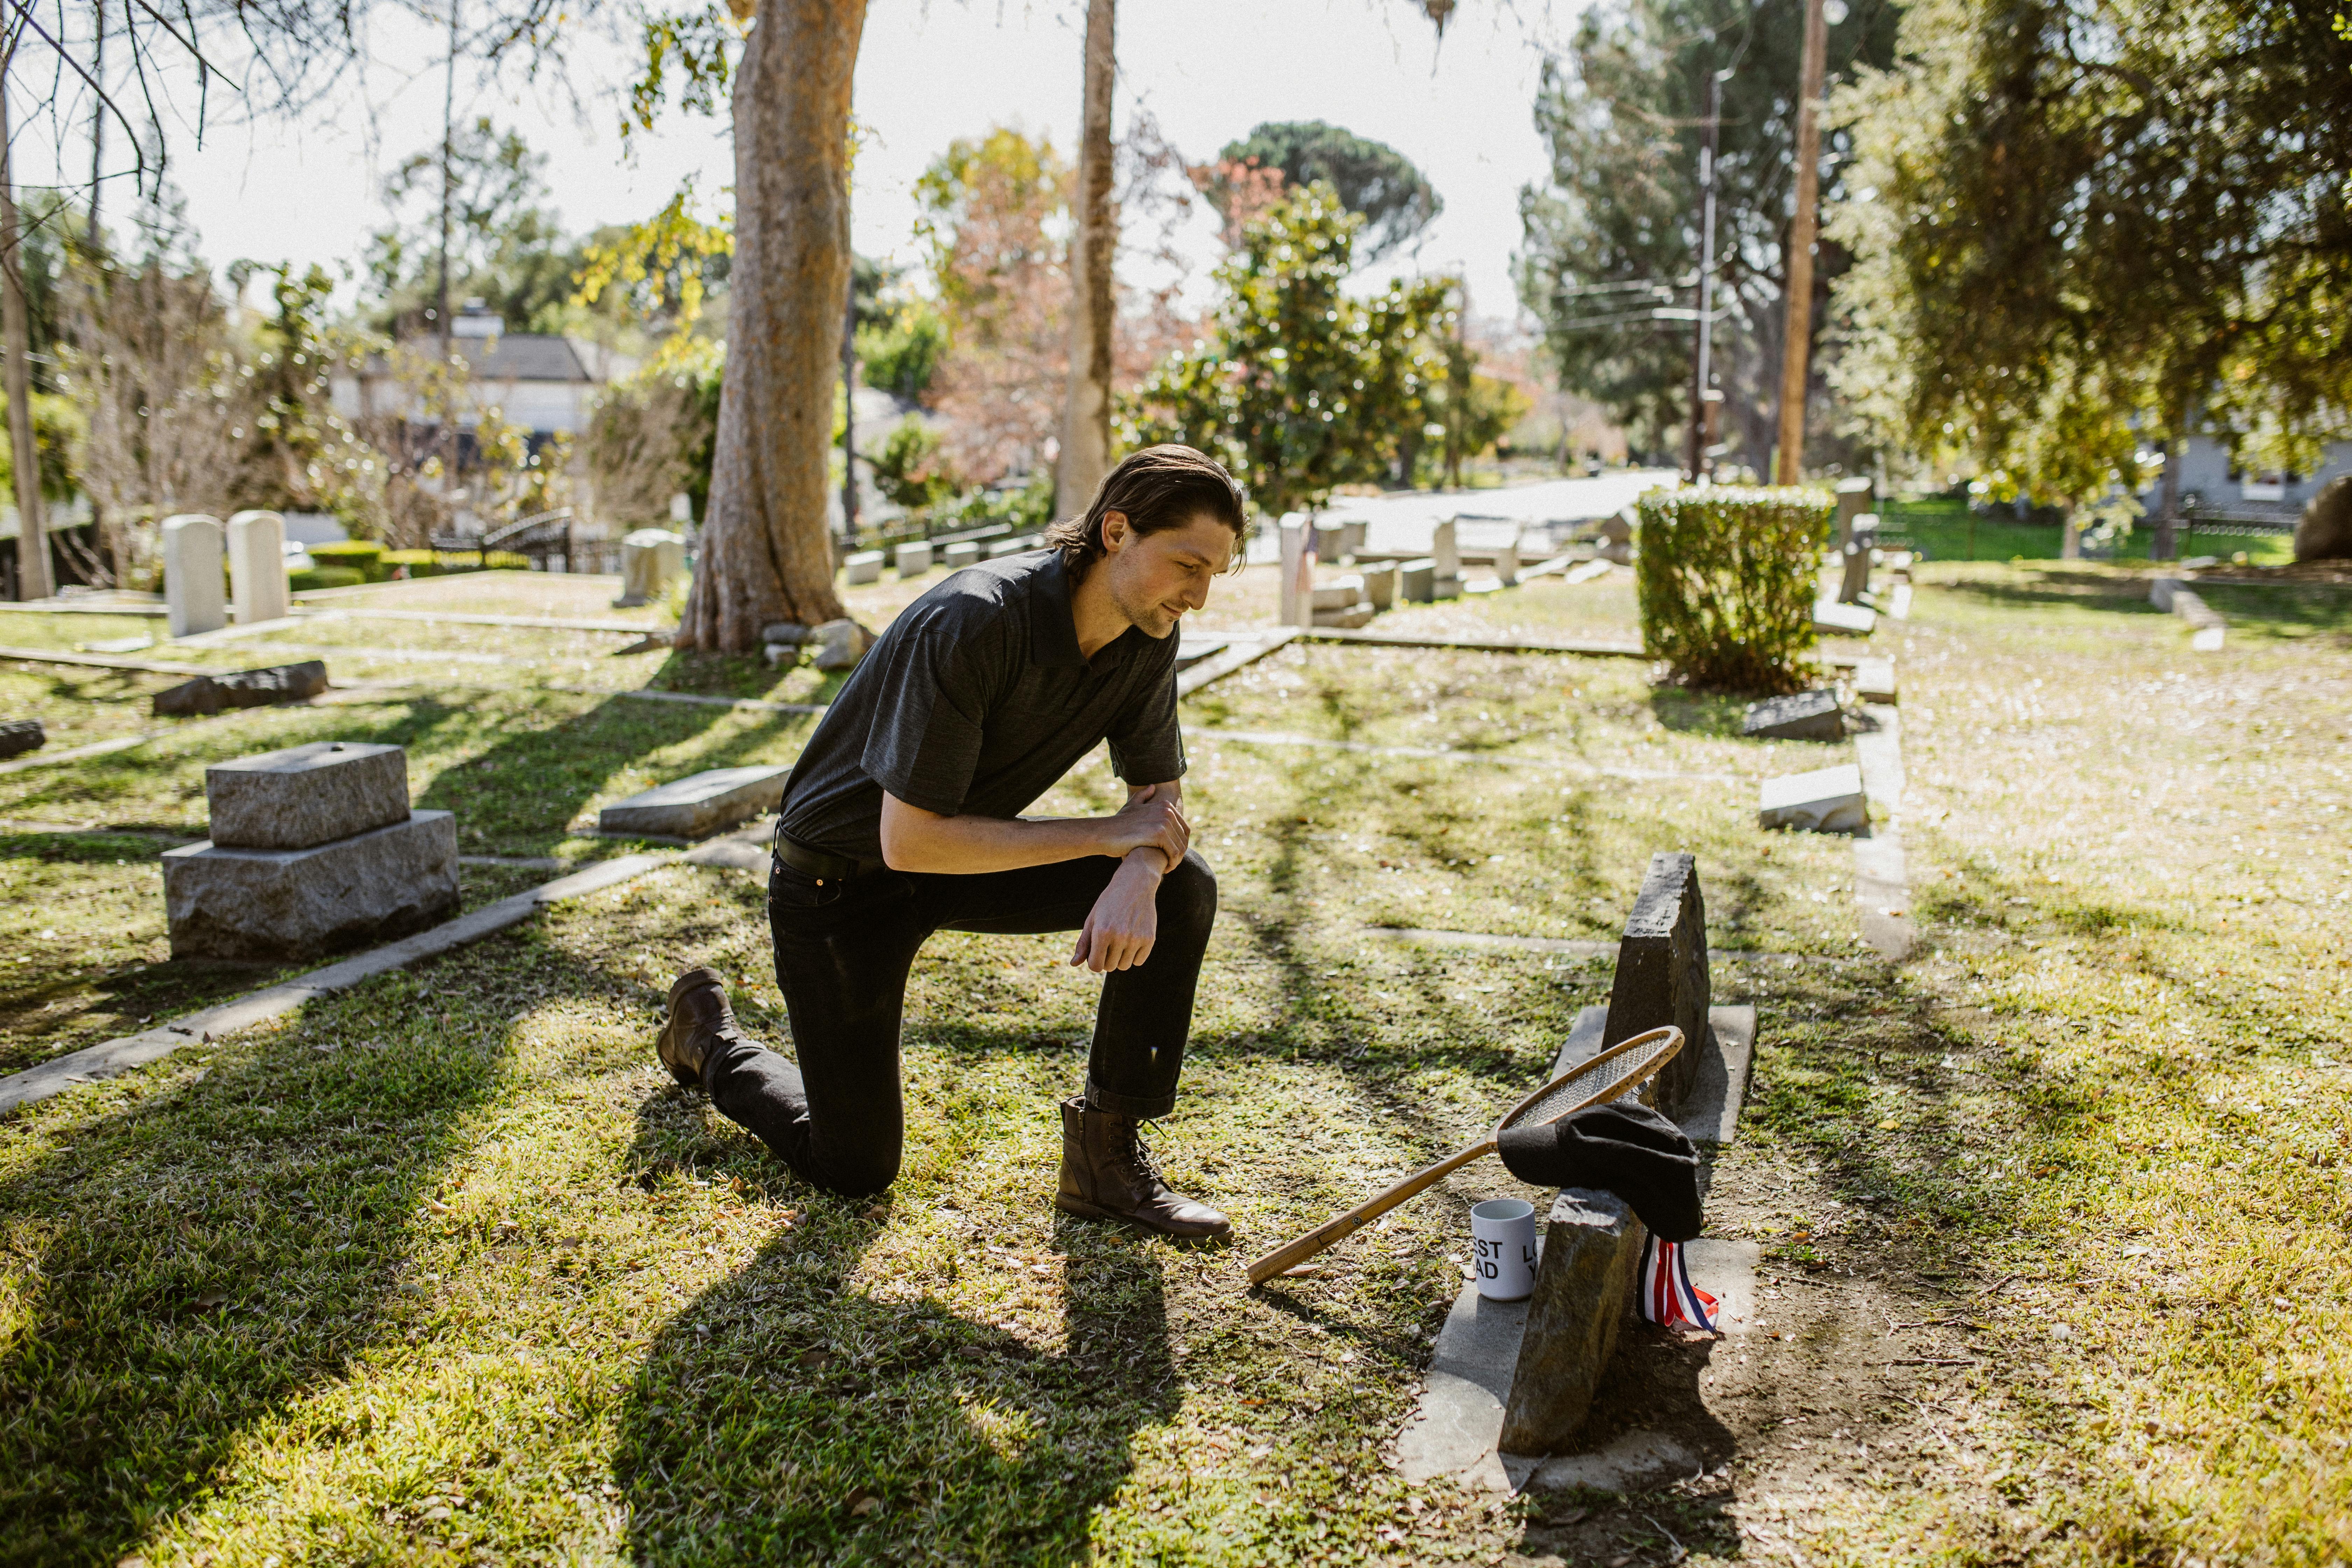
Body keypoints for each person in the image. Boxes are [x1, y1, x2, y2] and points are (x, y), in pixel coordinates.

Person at [655, 445, 1248, 1238]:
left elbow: (1158, 800)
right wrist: (1112, 834)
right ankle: (709, 1040)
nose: (1200, 596)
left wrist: (1141, 868)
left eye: (1216, 574)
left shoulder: (1148, 635)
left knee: (1184, 886)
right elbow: (909, 841)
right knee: (855, 1166)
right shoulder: (976, 620)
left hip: (953, 863)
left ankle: (1104, 1160)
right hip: (840, 884)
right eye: (1188, 565)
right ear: (1116, 532)